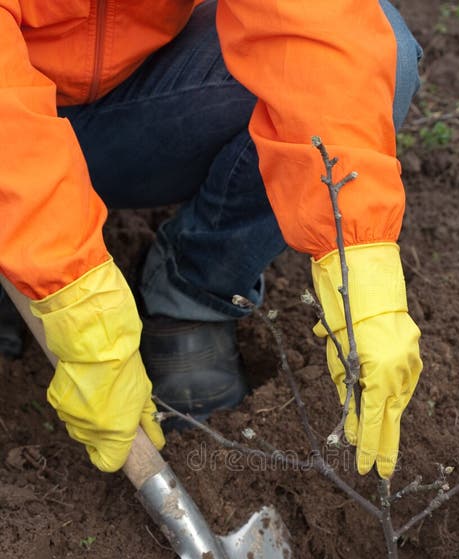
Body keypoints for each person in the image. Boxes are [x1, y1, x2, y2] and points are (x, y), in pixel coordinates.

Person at [0, 0, 423, 478]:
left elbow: (312, 26)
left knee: (371, 57)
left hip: (125, 105)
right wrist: (67, 287)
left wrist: (360, 251)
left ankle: (191, 293)